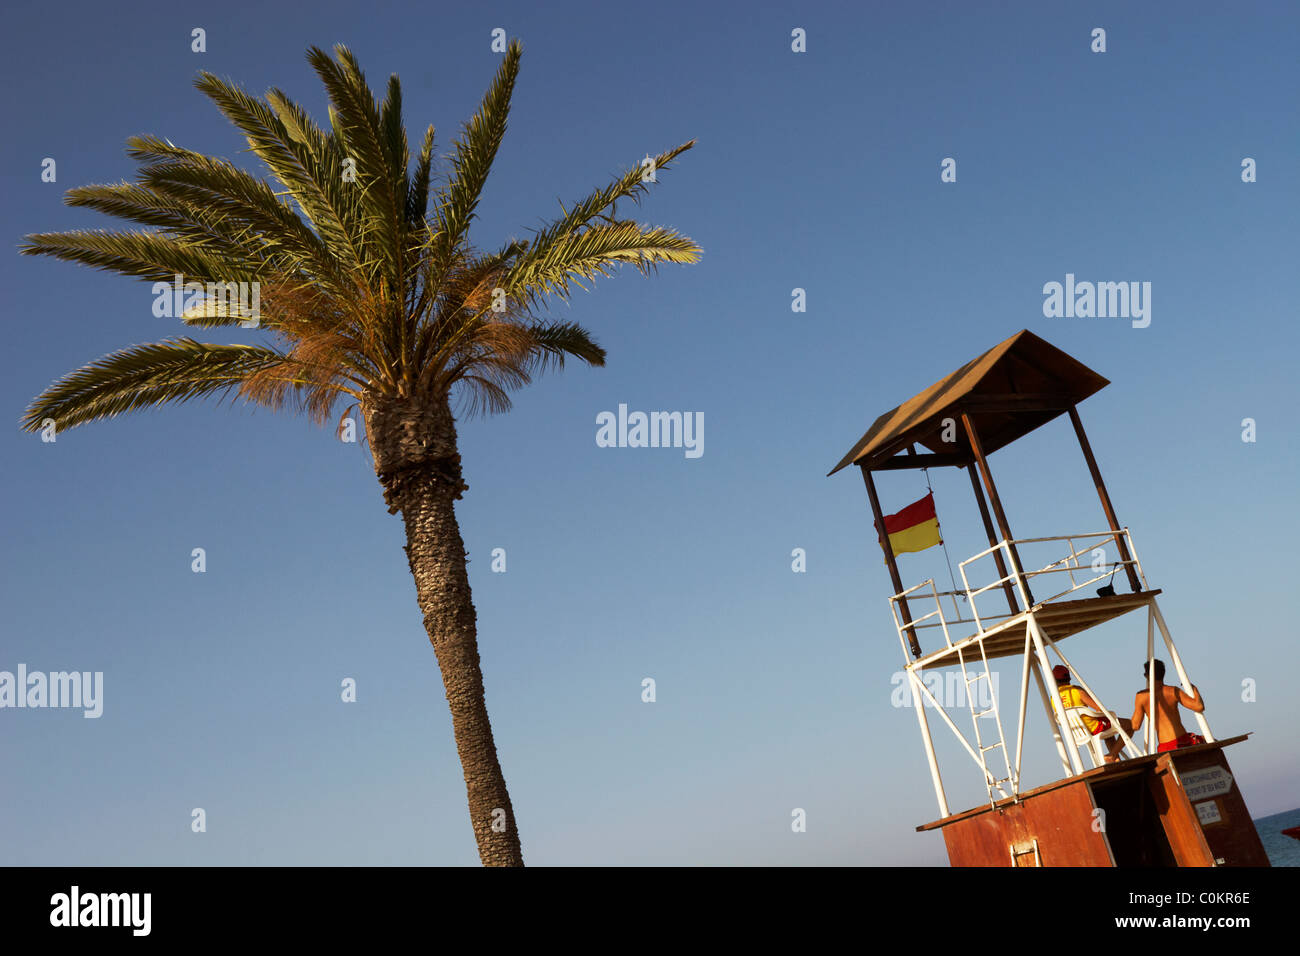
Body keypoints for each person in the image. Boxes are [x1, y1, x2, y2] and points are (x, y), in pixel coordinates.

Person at [1052, 665, 1130, 762]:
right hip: (1092, 727)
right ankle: (1112, 755)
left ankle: (1116, 759)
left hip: (1077, 731)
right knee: (1129, 724)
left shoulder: (1053, 698)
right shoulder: (1077, 691)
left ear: (1054, 680)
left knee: (1108, 728)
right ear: (1069, 677)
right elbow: (1099, 709)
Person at [1131, 659, 1205, 752]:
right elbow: (1199, 706)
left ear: (1147, 676)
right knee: (1207, 739)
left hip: (1166, 746)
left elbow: (1135, 726)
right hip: (1183, 740)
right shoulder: (1172, 691)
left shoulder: (1141, 696)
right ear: (1163, 673)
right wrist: (1194, 689)